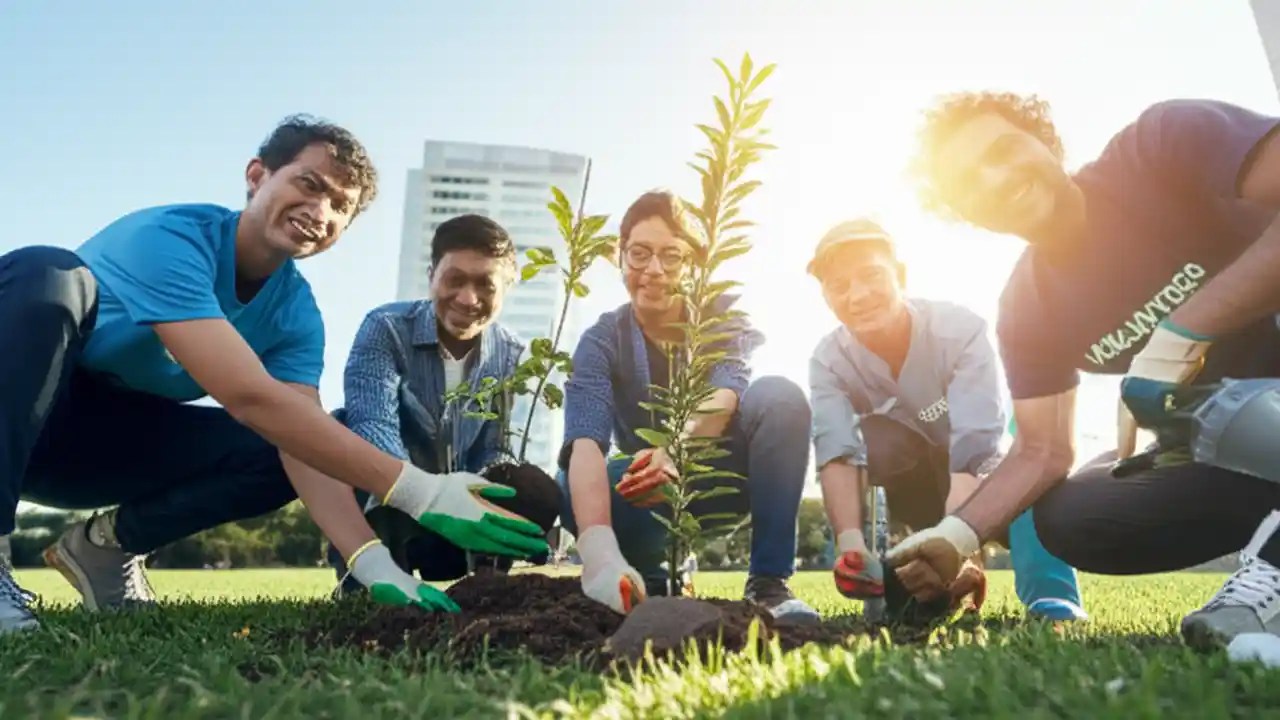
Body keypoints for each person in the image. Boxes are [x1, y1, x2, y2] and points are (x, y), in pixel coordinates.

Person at [0, 115, 547, 633]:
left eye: (340, 205)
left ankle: (104, 549)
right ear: (257, 175)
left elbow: (295, 436)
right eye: (309, 184)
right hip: (23, 411)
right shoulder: (170, 239)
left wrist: (372, 561)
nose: (320, 209)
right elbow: (246, 395)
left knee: (294, 443)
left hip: (91, 451)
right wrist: (420, 491)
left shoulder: (296, 316)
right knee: (47, 273)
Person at [888, 91, 1280, 648]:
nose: (996, 180)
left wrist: (1185, 329)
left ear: (1046, 141)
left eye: (1003, 150)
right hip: (1231, 443)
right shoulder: (1028, 308)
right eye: (969, 187)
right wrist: (957, 535)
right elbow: (1041, 450)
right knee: (1072, 516)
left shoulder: (1162, 144)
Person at [557, 189, 820, 625]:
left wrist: (675, 451)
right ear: (619, 257)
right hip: (645, 490)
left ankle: (769, 584)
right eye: (639, 254)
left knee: (779, 397)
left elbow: (726, 391)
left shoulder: (718, 317)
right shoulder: (602, 340)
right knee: (572, 482)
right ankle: (652, 575)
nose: (654, 271)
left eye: (671, 257)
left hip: (723, 476)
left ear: (694, 264)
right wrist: (599, 552)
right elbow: (585, 438)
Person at [806, 218, 1085, 621]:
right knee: (877, 439)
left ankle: (1051, 596)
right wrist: (849, 541)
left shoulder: (959, 329)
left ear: (900, 276)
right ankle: (897, 579)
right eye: (839, 286)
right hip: (912, 485)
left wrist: (956, 542)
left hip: (982, 470)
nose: (858, 295)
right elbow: (836, 449)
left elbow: (974, 443)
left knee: (1030, 465)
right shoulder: (829, 360)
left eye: (871, 275)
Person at [326, 214, 561, 592]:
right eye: (455, 280)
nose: (468, 300)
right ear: (432, 273)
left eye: (485, 285)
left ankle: (487, 584)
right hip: (386, 498)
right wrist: (423, 493)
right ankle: (368, 577)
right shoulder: (386, 327)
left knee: (523, 481)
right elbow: (373, 424)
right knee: (342, 432)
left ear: (508, 287)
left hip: (460, 511)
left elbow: (492, 445)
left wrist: (499, 481)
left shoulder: (509, 354)